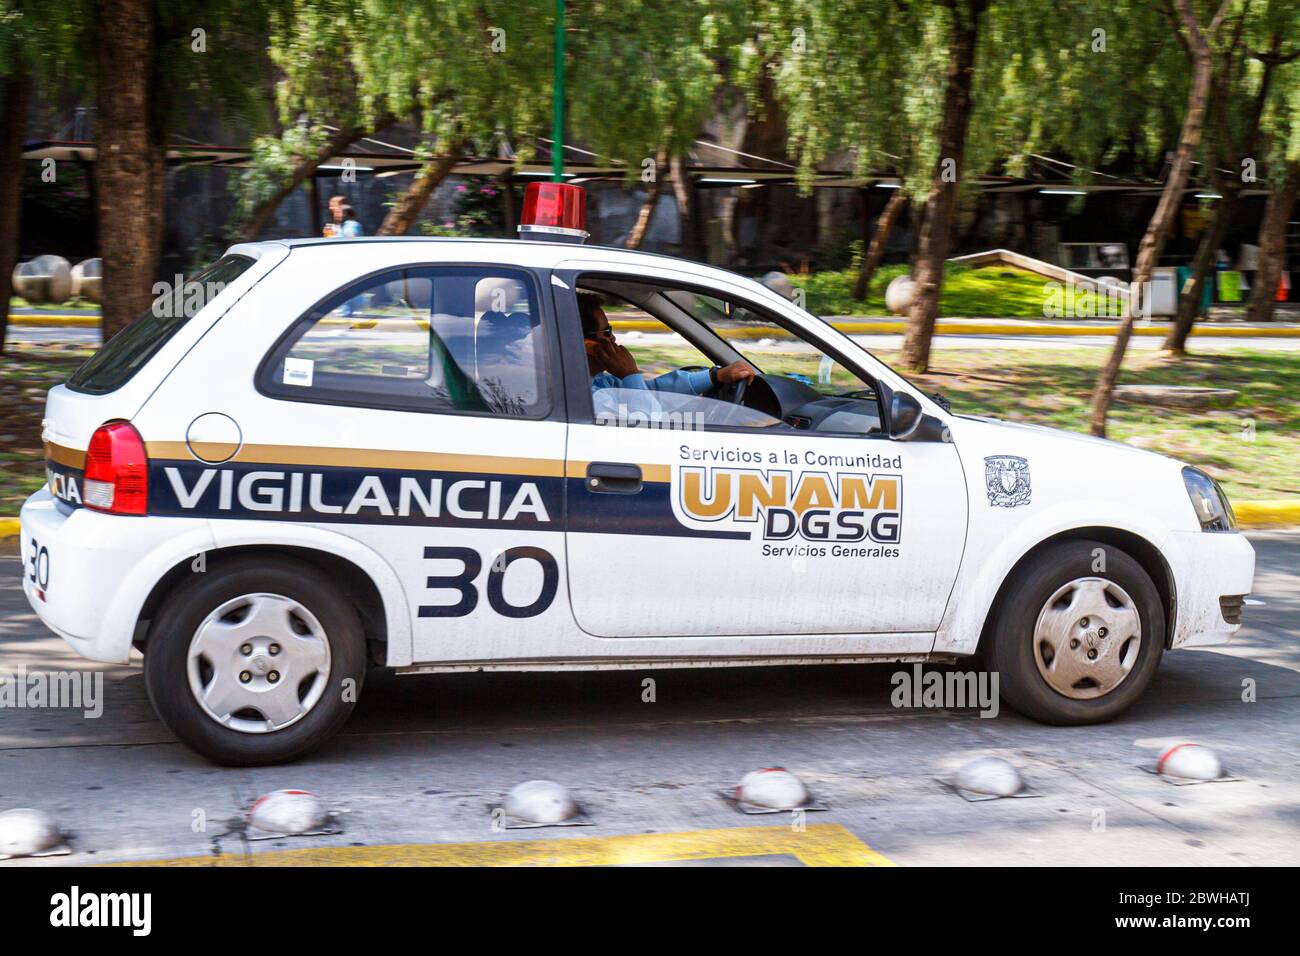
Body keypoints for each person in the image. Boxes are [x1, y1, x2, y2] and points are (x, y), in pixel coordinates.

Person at [578, 292, 754, 396]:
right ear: (586, 344)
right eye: (607, 332)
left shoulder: (599, 381)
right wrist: (629, 373)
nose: (613, 339)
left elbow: (652, 391)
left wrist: (715, 377)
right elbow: (649, 419)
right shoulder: (587, 396)